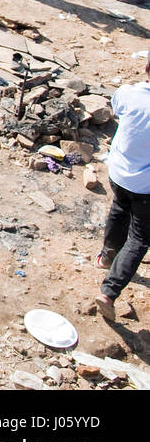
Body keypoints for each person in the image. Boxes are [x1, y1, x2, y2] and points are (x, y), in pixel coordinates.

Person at [93, 52, 150, 320]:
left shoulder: (127, 93)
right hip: (145, 187)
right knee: (139, 238)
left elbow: (119, 111)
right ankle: (109, 292)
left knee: (119, 209)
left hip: (118, 173)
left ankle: (106, 257)